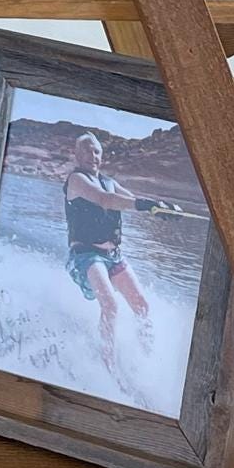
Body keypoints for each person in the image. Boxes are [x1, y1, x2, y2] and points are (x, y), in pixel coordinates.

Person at [61, 131, 178, 386]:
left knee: (142, 307)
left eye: (97, 151)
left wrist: (162, 208)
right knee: (111, 305)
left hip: (113, 257)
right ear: (77, 154)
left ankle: (147, 360)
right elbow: (106, 200)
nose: (93, 155)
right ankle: (108, 366)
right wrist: (146, 205)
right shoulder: (76, 180)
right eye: (88, 150)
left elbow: (129, 199)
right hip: (85, 256)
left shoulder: (109, 181)